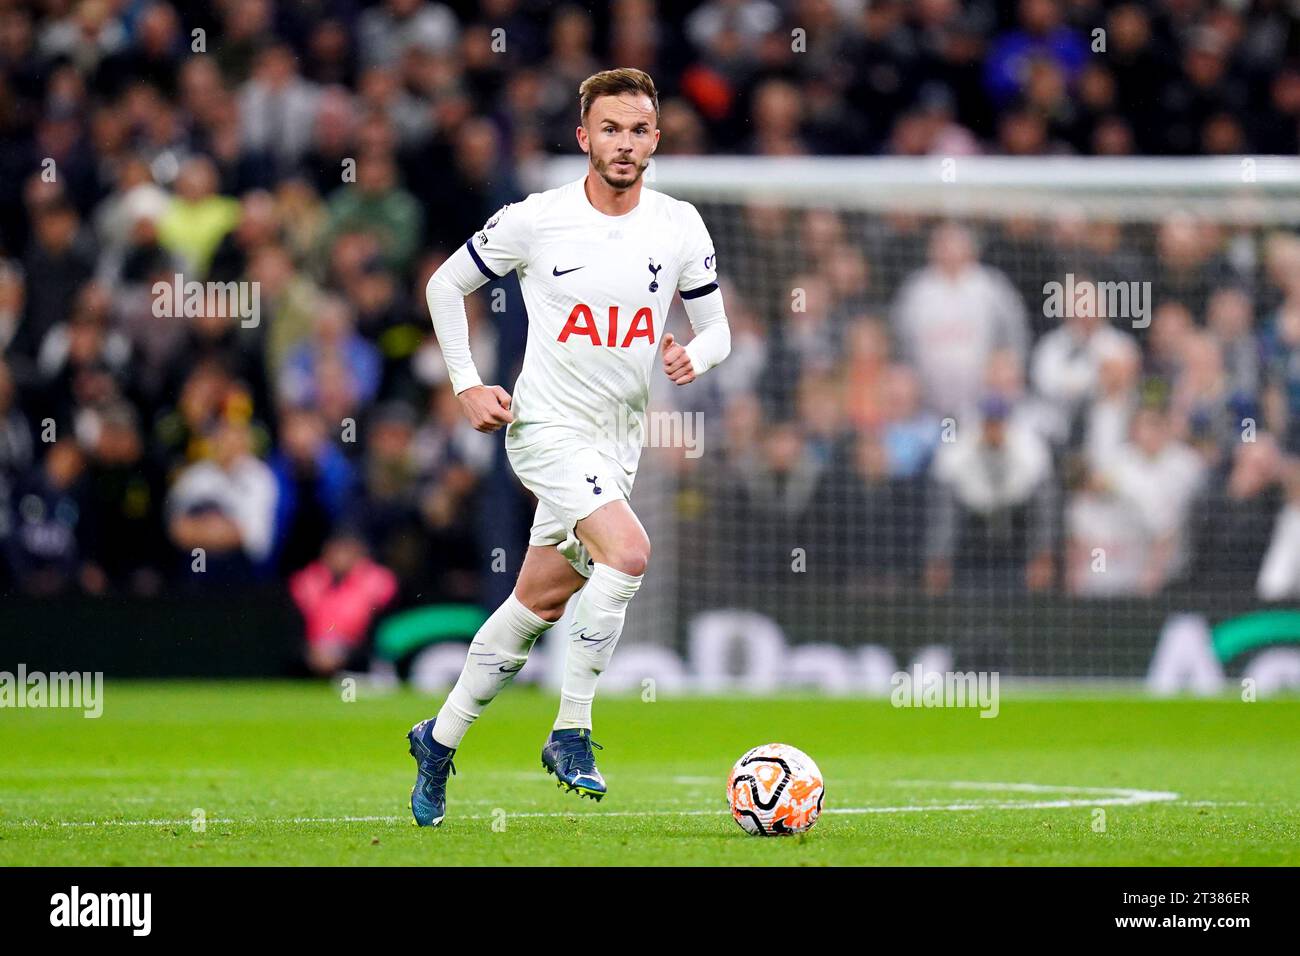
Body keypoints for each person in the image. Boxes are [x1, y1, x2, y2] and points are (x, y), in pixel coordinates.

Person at [410, 67, 731, 827]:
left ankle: (440, 737)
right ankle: (571, 731)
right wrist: (465, 383)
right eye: (610, 129)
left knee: (538, 602)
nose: (625, 144)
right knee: (629, 553)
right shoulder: (536, 219)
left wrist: (699, 355)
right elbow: (441, 286)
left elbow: (716, 326)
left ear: (657, 138)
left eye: (639, 130)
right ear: (585, 137)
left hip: (618, 441)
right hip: (545, 428)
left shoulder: (680, 225)